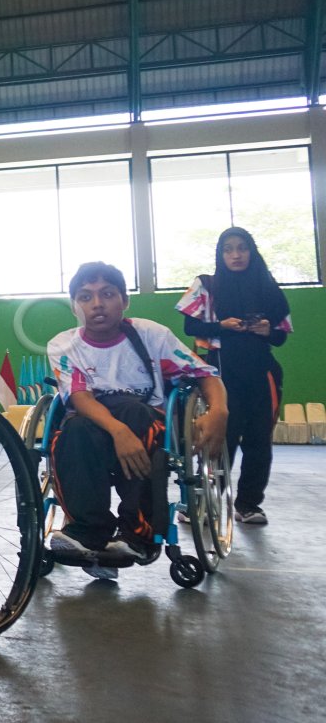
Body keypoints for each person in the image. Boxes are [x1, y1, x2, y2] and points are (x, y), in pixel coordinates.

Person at [47, 262, 227, 580]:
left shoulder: (152, 336)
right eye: (85, 297)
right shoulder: (64, 345)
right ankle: (87, 530)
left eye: (107, 294)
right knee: (73, 428)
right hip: (93, 422)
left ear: (125, 301)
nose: (97, 304)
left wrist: (219, 412)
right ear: (74, 305)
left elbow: (203, 373)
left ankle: (138, 534)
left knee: (134, 413)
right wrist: (118, 432)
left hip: (145, 419)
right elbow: (80, 397)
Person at [176, 227, 291, 525]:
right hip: (220, 374)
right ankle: (204, 501)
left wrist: (268, 330)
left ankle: (249, 504)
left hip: (261, 373)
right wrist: (222, 326)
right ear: (220, 253)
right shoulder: (206, 285)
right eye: (228, 249)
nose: (236, 255)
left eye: (242, 248)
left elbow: (281, 337)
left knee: (258, 441)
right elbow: (190, 328)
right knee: (219, 438)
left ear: (252, 251)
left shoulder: (268, 286)